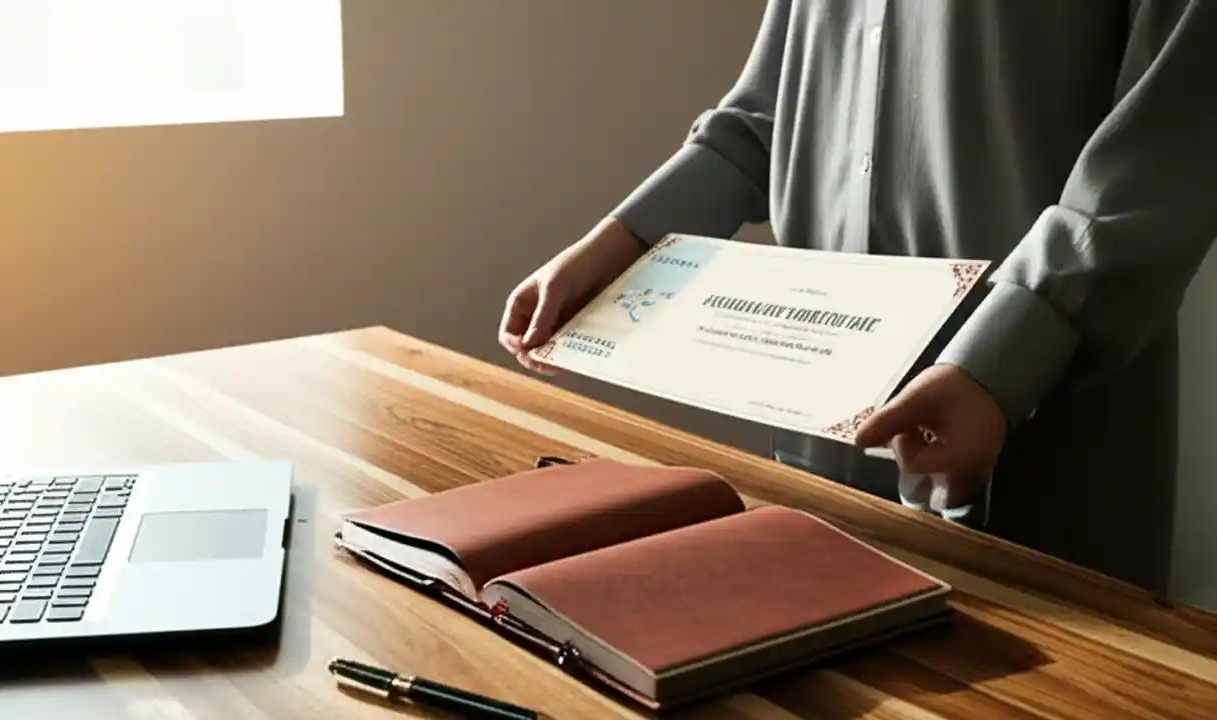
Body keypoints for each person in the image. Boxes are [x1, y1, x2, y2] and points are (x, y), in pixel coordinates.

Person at [498, 1, 1216, 594]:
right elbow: (770, 114)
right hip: (818, 437)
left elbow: (1173, 140)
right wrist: (620, 244)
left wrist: (998, 368)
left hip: (1044, 443)